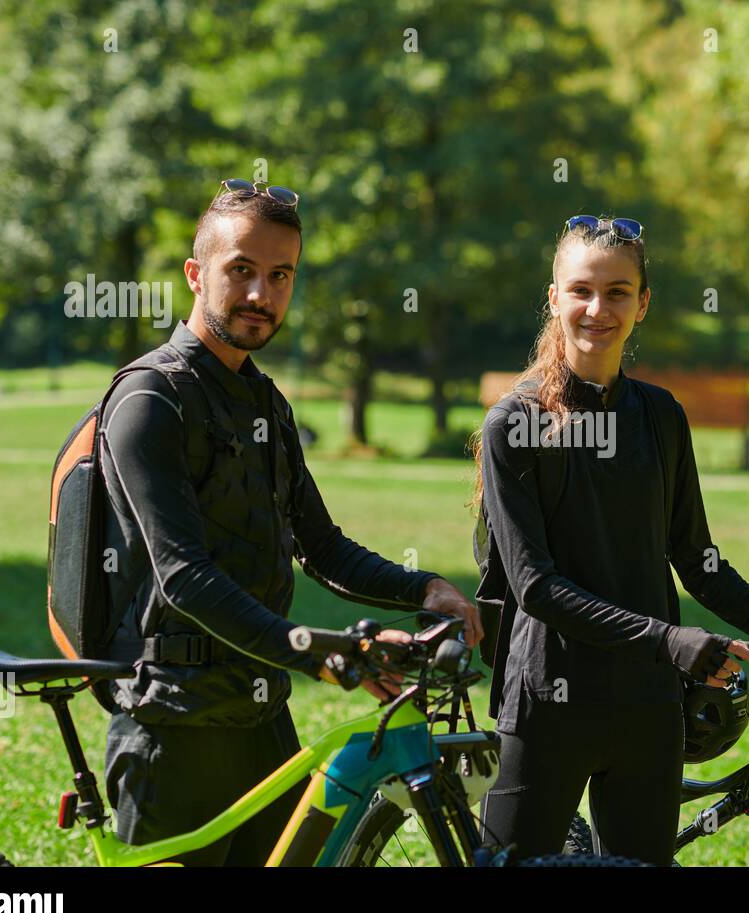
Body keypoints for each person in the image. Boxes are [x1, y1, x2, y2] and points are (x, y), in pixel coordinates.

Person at [98, 180, 482, 865]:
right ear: (195, 273)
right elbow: (184, 577)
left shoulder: (264, 401)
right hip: (172, 726)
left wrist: (423, 589)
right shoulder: (150, 399)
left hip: (261, 718)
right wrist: (323, 654)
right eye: (240, 270)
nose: (260, 295)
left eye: (280, 276)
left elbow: (322, 546)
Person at [474, 215, 749, 865]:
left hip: (647, 706)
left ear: (642, 304)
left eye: (617, 292)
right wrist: (673, 640)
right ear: (554, 299)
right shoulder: (513, 424)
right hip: (548, 702)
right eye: (581, 290)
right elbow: (536, 587)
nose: (597, 307)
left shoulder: (660, 417)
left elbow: (699, 562)